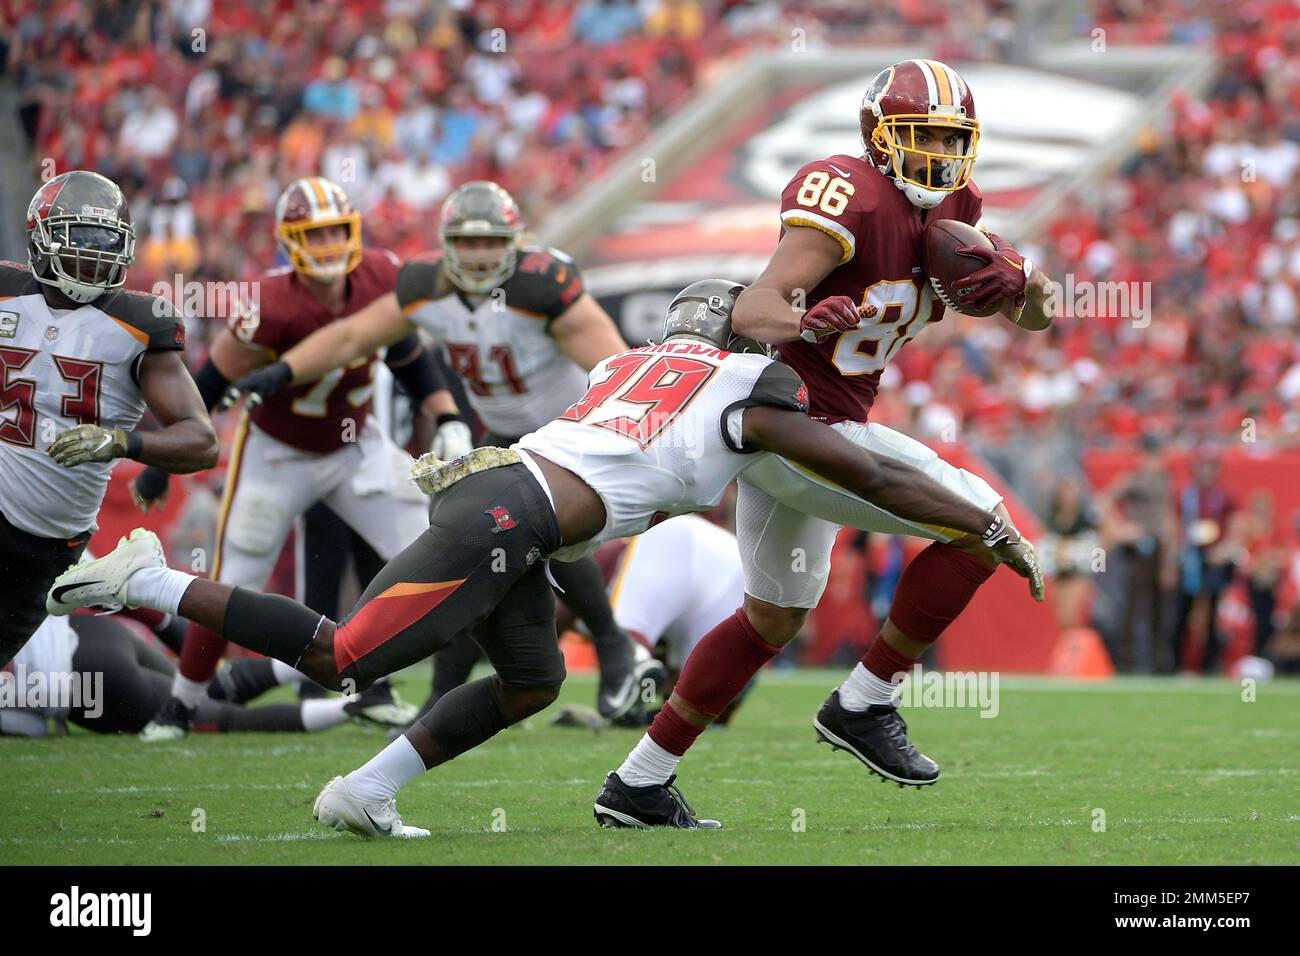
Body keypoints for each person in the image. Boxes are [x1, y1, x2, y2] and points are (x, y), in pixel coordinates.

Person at [48, 279, 1042, 835]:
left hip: (521, 509)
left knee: (527, 678)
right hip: (507, 516)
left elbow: (593, 492)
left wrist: (593, 624)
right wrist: (982, 520)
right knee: (343, 654)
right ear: (741, 337)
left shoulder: (630, 364)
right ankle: (150, 578)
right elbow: (864, 472)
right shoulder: (751, 385)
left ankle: (366, 789)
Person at [596, 60, 1057, 811]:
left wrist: (1027, 284)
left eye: (951, 138)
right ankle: (866, 701)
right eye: (922, 137)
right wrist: (804, 318)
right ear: (880, 137)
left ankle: (638, 782)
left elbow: (1035, 317)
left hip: (821, 433)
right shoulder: (851, 194)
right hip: (793, 420)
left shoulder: (957, 211)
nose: (937, 155)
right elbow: (756, 308)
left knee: (772, 615)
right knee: (979, 525)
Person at [224, 181, 646, 719]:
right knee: (479, 553)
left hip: (564, 432)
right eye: (466, 243)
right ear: (446, 244)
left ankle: (609, 643)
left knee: (535, 541)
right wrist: (282, 370)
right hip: (500, 439)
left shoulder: (544, 287)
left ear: (515, 241)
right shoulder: (426, 286)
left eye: (491, 242)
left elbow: (619, 372)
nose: (478, 255)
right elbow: (352, 337)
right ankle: (447, 687)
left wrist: (623, 437)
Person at [135, 177, 460, 740]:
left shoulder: (381, 274)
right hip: (277, 453)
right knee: (233, 579)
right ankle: (182, 703)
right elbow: (210, 384)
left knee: (431, 552)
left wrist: (447, 415)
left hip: (355, 444)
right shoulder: (269, 302)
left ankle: (370, 679)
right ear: (291, 240)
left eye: (338, 231)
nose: (331, 245)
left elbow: (408, 355)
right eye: (317, 234)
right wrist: (163, 462)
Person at [0, 170, 217, 668]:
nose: (97, 255)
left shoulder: (138, 326)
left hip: (44, 540)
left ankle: (202, 685)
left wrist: (122, 441)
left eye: (107, 242)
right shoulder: (6, 291)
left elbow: (202, 441)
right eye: (83, 239)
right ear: (42, 238)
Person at [0, 612, 404, 737]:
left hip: (90, 683)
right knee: (198, 689)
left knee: (220, 719)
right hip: (92, 631)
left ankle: (351, 707)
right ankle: (318, 663)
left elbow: (28, 726)